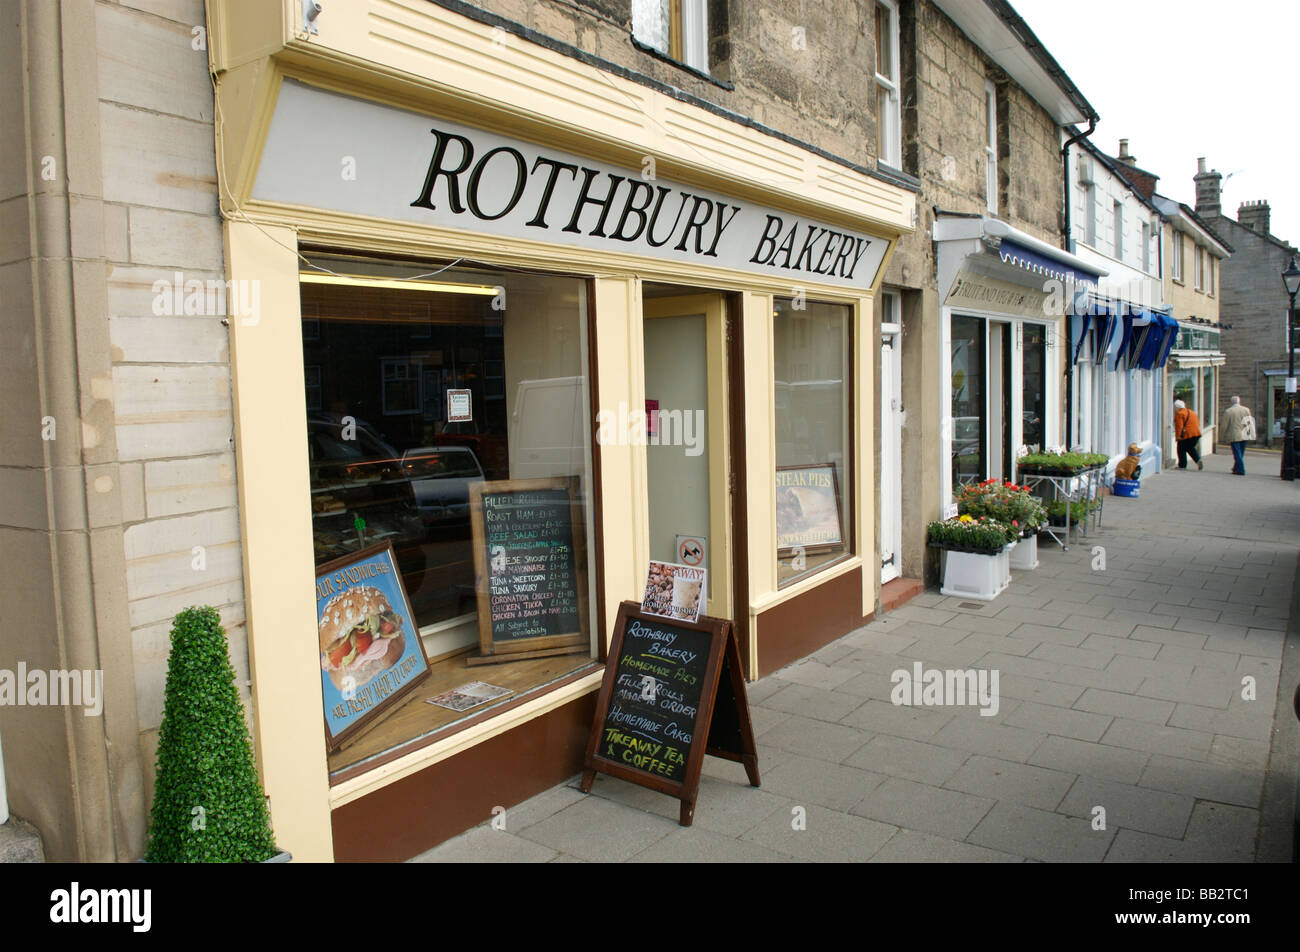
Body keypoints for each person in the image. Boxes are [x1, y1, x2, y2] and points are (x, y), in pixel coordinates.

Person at [1219, 395, 1256, 475]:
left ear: (1231, 402)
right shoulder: (1246, 410)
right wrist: (1250, 433)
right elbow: (1249, 422)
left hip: (1234, 435)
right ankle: (1236, 468)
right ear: (1239, 401)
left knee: (1237, 453)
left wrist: (1221, 435)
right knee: (1240, 453)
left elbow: (1224, 425)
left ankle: (1241, 470)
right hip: (1245, 434)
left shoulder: (1228, 411)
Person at [1173, 399, 1203, 470]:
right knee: (1190, 448)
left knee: (1181, 449)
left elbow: (1179, 426)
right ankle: (1198, 460)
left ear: (1177, 407)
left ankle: (1182, 465)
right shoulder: (1192, 412)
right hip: (1196, 434)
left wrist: (1178, 437)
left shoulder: (1180, 414)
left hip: (1187, 435)